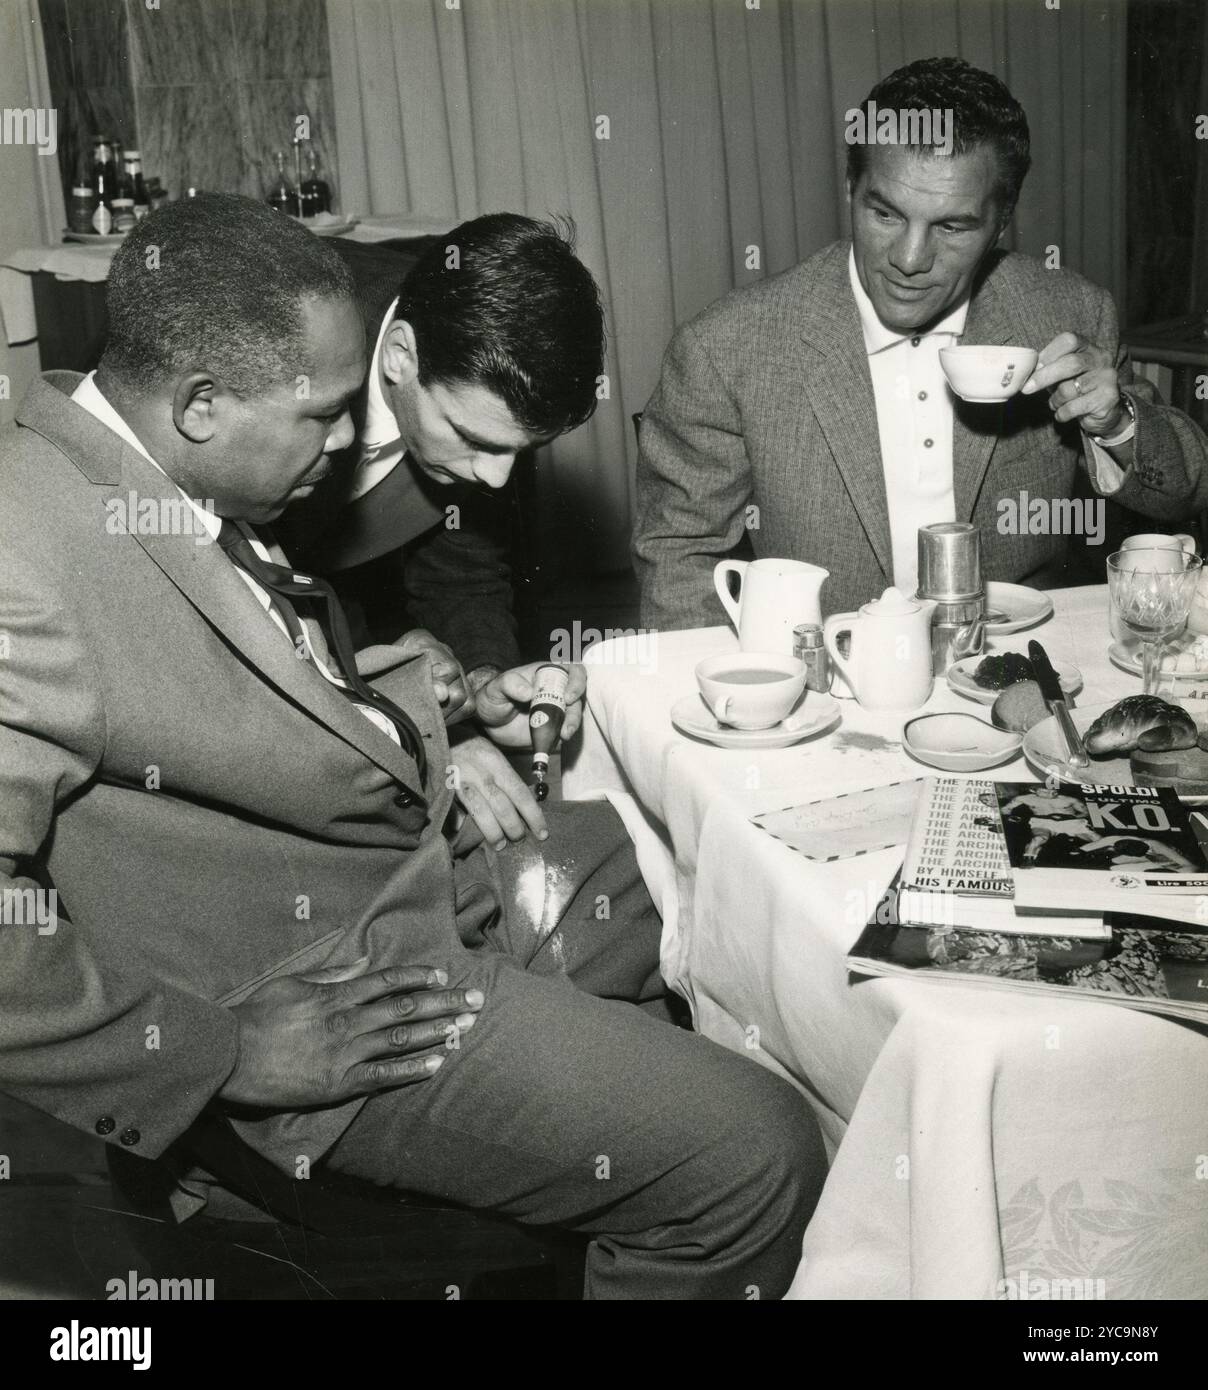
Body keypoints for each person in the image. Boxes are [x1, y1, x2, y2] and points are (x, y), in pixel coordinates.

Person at [0, 194, 824, 1299]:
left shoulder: (139, 459)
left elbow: (244, 692)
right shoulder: (28, 559)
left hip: (371, 888)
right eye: (329, 417)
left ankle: (564, 1197)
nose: (351, 448)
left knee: (623, 878)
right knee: (756, 1148)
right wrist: (217, 1052)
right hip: (323, 991)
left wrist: (442, 702)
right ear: (202, 404)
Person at [634, 56, 1208, 627]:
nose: (909, 260)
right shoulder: (726, 347)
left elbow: (1185, 491)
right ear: (850, 189)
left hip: (1015, 663)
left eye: (952, 227)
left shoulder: (1068, 312)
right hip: (824, 683)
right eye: (884, 213)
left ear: (1002, 222)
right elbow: (678, 559)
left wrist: (1116, 425)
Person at [278, 213, 606, 848]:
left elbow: (464, 570)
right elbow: (242, 585)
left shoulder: (485, 377)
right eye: (474, 439)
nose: (496, 479)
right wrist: (419, 732)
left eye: (520, 450)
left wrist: (480, 688)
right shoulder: (287, 344)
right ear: (400, 356)